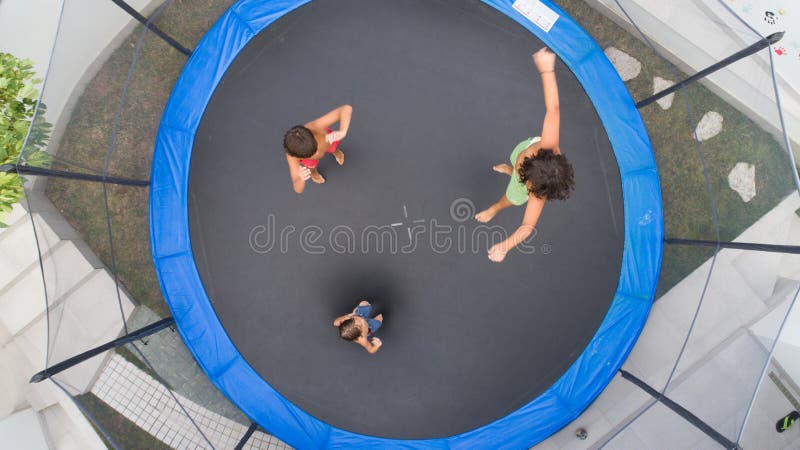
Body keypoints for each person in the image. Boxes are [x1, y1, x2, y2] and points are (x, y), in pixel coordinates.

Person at [475, 47, 575, 263]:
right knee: (514, 158)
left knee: (511, 197)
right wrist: (547, 71)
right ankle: (511, 169)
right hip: (521, 151)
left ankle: (495, 207)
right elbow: (554, 109)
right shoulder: (548, 145)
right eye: (530, 157)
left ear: (530, 186)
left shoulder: (534, 194)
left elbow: (527, 227)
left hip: (519, 181)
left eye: (525, 181)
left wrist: (505, 246)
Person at [284, 104, 353, 194]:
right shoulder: (291, 157)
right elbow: (298, 189)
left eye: (315, 147)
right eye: (311, 154)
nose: (318, 153)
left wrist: (343, 131)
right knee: (311, 166)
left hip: (328, 142)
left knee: (333, 148)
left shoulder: (316, 126)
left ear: (312, 134)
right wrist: (300, 179)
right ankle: (314, 173)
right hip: (311, 160)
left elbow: (346, 109)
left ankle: (336, 152)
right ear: (297, 156)